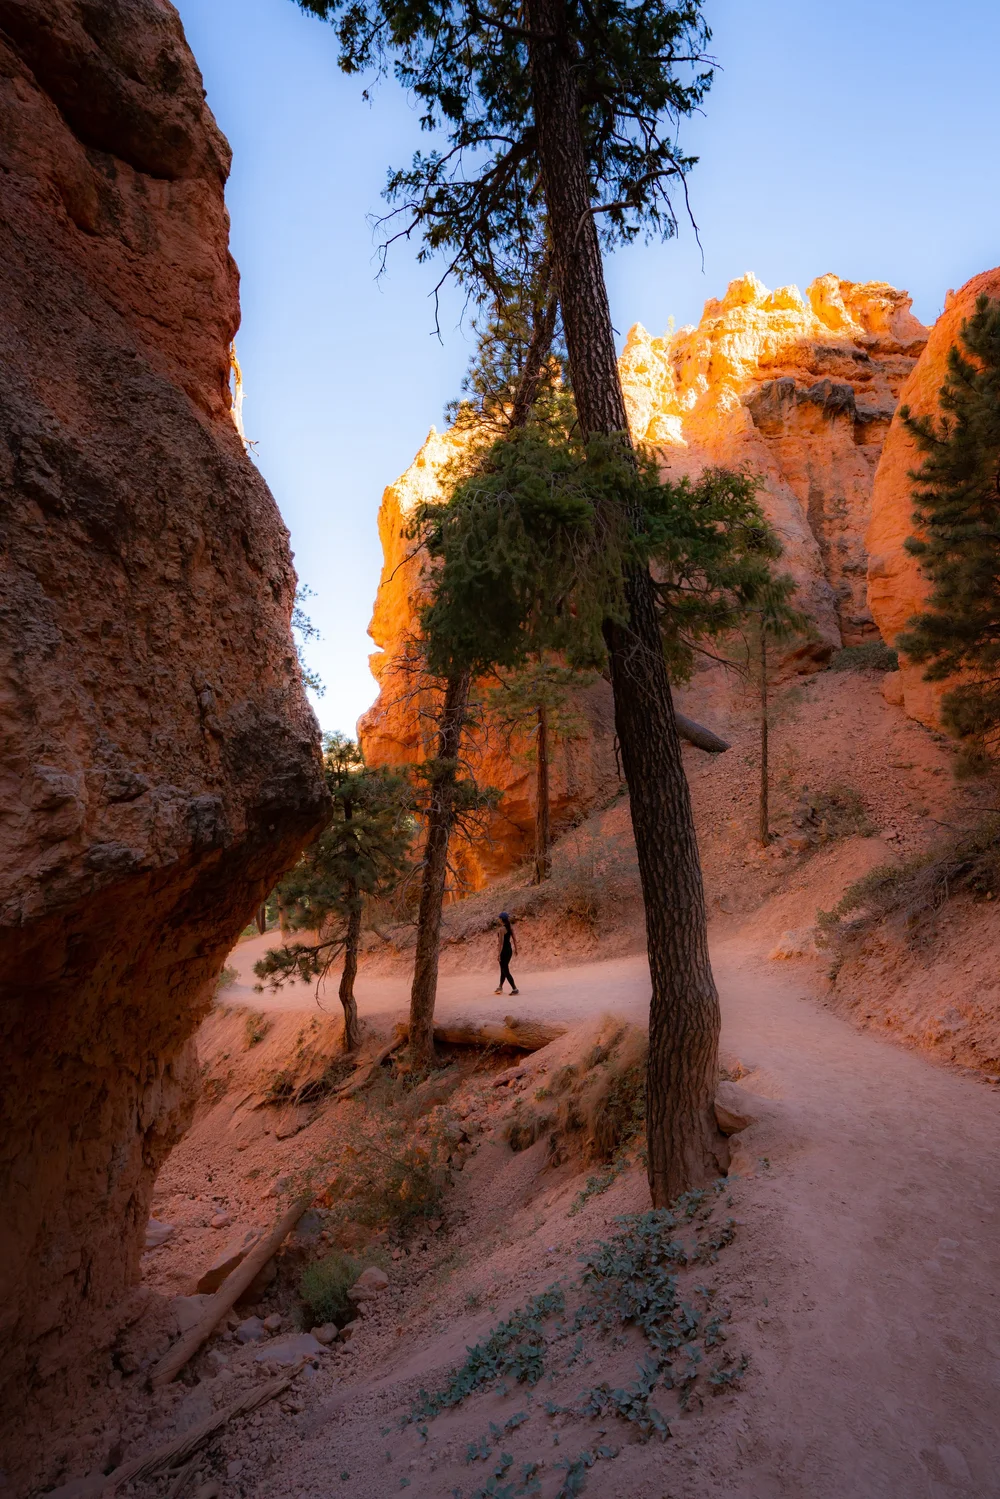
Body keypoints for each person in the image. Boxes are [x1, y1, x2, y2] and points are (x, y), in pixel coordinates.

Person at [495, 911, 519, 995]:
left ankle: (515, 988)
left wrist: (498, 954)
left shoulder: (502, 929)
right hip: (509, 950)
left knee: (505, 970)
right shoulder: (510, 928)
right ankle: (500, 986)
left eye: (499, 918)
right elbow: (514, 939)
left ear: (501, 919)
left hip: (504, 951)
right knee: (503, 969)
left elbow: (500, 943)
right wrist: (516, 949)